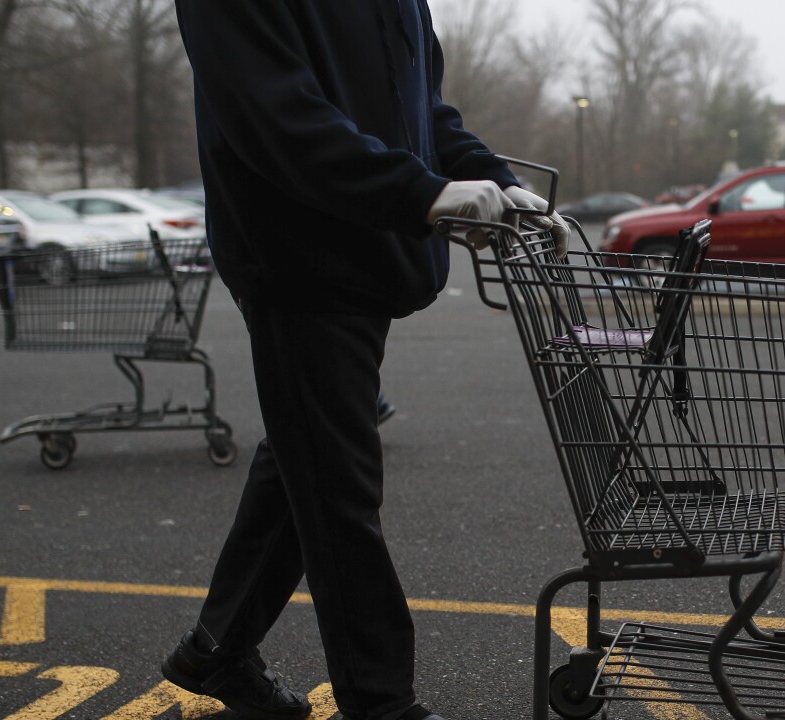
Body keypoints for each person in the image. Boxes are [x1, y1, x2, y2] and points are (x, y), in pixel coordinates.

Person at [164, 3, 569, 720]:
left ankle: (215, 648)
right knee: (338, 491)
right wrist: (422, 194)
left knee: (310, 458)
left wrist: (490, 179)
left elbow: (420, 112)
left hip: (370, 254)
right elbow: (275, 116)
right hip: (296, 258)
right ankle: (381, 703)